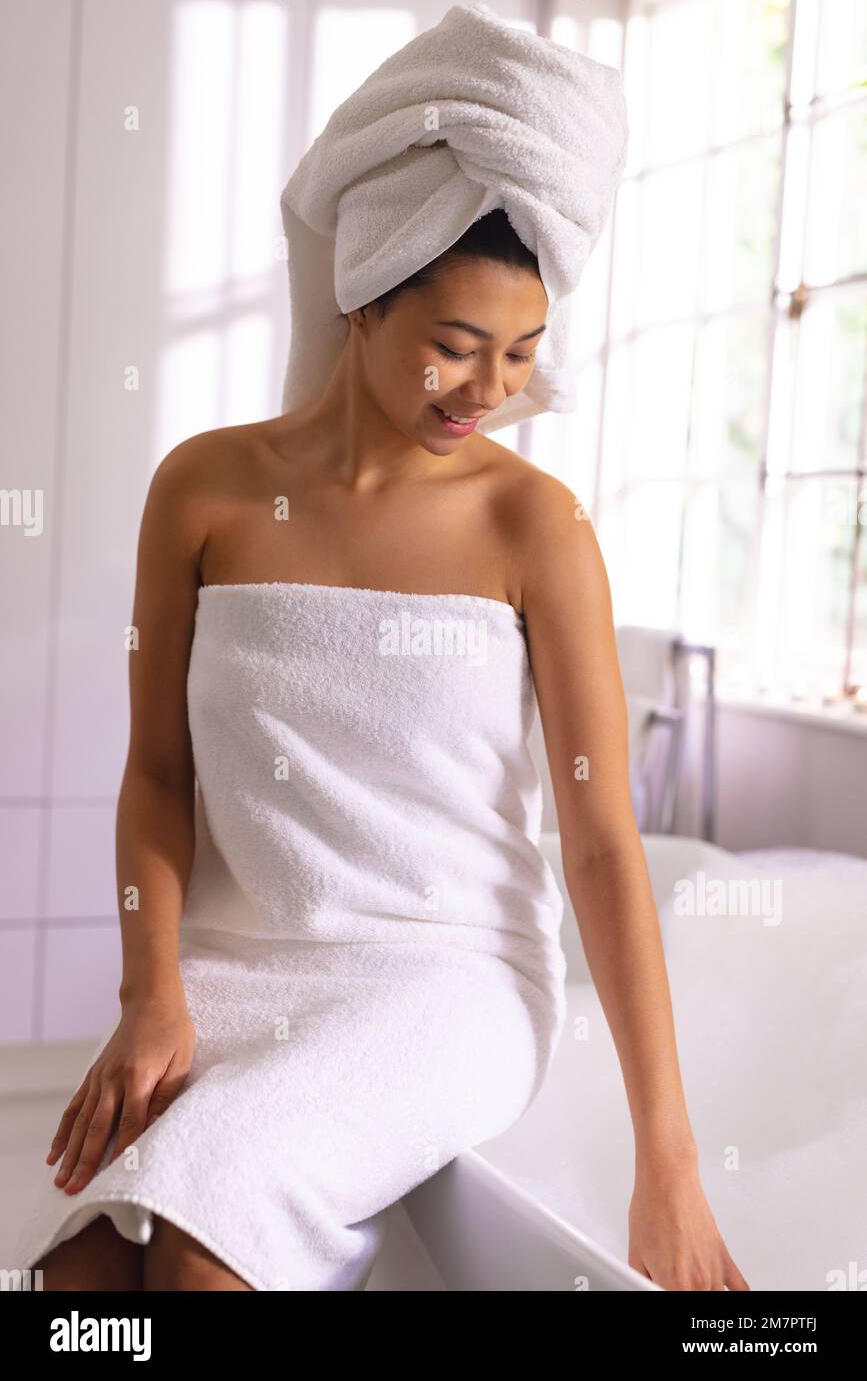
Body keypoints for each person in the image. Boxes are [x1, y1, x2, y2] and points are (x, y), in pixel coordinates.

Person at [16, 207, 748, 1292]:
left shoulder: (534, 525)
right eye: (453, 346)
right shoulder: (204, 488)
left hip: (448, 976)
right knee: (74, 1284)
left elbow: (599, 844)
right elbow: (159, 774)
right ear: (361, 297)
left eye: (522, 351)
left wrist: (671, 1166)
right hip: (239, 963)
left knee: (197, 1253)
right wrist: (149, 989)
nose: (489, 388)